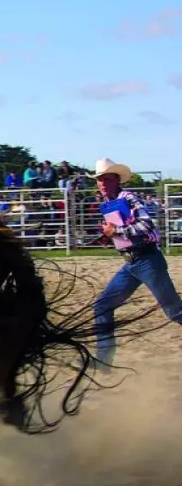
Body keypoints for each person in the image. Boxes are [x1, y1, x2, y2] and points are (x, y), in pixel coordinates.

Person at [89, 157, 182, 369]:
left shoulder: (128, 198)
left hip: (147, 260)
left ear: (116, 180)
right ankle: (103, 359)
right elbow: (128, 231)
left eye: (106, 179)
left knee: (174, 311)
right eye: (100, 179)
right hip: (133, 263)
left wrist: (116, 231)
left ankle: (104, 359)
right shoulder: (110, 204)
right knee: (103, 306)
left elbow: (146, 226)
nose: (102, 183)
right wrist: (110, 236)